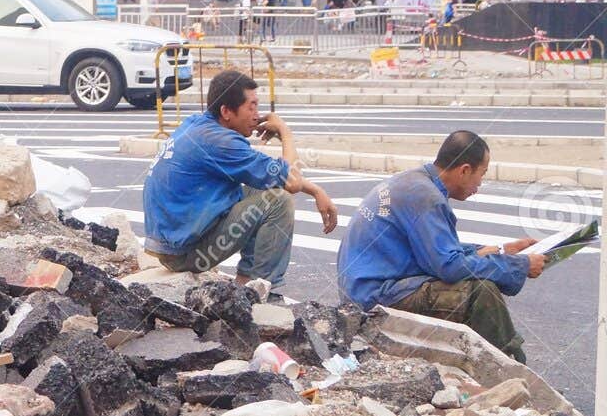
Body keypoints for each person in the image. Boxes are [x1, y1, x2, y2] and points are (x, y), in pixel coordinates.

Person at [337, 132, 541, 362]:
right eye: (481, 174)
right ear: (464, 170)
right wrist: (519, 266)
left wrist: (497, 251)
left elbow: (435, 250)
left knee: (473, 275)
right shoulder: (427, 197)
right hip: (373, 297)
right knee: (480, 291)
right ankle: (510, 368)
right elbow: (449, 267)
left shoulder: (414, 182)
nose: (480, 185)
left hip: (363, 287)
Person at [142, 70, 336, 289]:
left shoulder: (198, 125)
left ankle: (245, 281)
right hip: (185, 255)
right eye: (250, 106)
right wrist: (285, 132)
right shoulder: (221, 142)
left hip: (170, 245)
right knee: (279, 201)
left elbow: (267, 172)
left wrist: (316, 190)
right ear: (226, 111)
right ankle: (264, 290)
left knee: (263, 187)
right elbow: (291, 182)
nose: (257, 115)